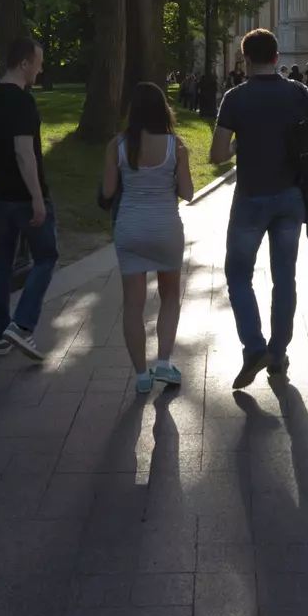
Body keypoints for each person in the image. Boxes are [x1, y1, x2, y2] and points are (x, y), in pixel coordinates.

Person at [210, 27, 308, 389]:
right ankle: (278, 353)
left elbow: (216, 155)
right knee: (284, 278)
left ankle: (253, 347)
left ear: (245, 60)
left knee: (238, 274)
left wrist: (238, 146)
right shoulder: (299, 92)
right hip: (291, 196)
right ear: (277, 58)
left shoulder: (235, 98)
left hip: (250, 197)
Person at [102, 82, 194, 395]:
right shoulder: (176, 145)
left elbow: (108, 192)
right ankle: (164, 362)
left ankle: (141, 375)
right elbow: (188, 192)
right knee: (169, 296)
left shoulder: (117, 145)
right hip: (166, 228)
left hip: (130, 228)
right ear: (162, 108)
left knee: (133, 303)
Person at [0, 34, 58, 361]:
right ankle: (22, 325)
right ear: (24, 63)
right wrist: (37, 198)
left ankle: (0, 335)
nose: (39, 71)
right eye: (37, 64)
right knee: (46, 257)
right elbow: (24, 153)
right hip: (25, 197)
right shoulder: (22, 101)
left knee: (0, 264)